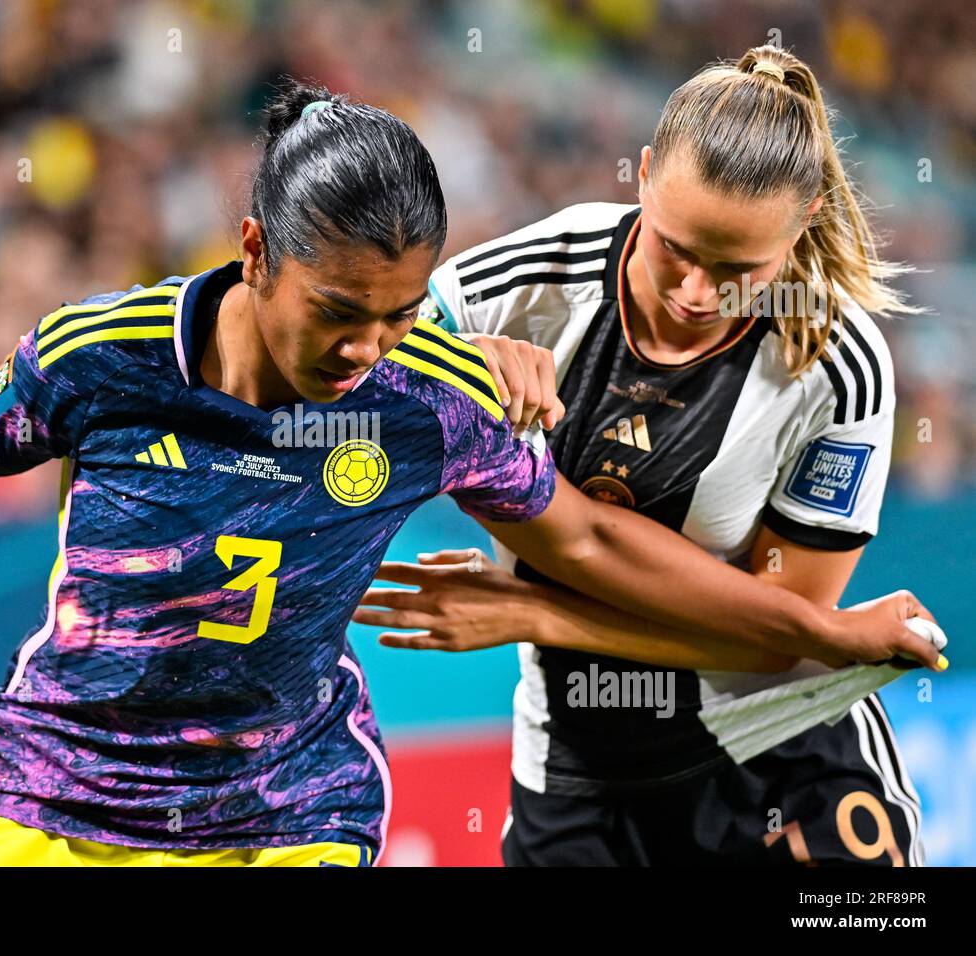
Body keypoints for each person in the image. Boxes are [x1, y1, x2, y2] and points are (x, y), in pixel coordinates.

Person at [0, 80, 939, 868]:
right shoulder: (99, 354)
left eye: (398, 315)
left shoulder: (427, 391)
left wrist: (824, 632)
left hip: (287, 806)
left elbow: (598, 545)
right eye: (340, 309)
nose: (366, 349)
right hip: (53, 775)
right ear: (252, 253)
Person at [357, 46, 940, 866]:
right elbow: (337, 389)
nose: (697, 292)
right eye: (676, 249)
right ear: (641, 171)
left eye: (738, 269)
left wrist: (534, 614)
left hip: (779, 741)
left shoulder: (837, 364)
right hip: (576, 769)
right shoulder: (518, 288)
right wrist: (447, 371)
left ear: (805, 216)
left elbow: (771, 638)